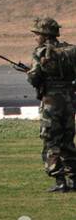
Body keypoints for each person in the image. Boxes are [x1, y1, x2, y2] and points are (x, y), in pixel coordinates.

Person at [28, 17, 76, 192]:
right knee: (67, 140)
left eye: (37, 34)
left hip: (51, 103)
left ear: (45, 35)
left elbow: (34, 78)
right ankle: (74, 179)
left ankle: (59, 180)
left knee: (51, 140)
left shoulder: (40, 52)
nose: (35, 37)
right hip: (69, 100)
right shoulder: (70, 50)